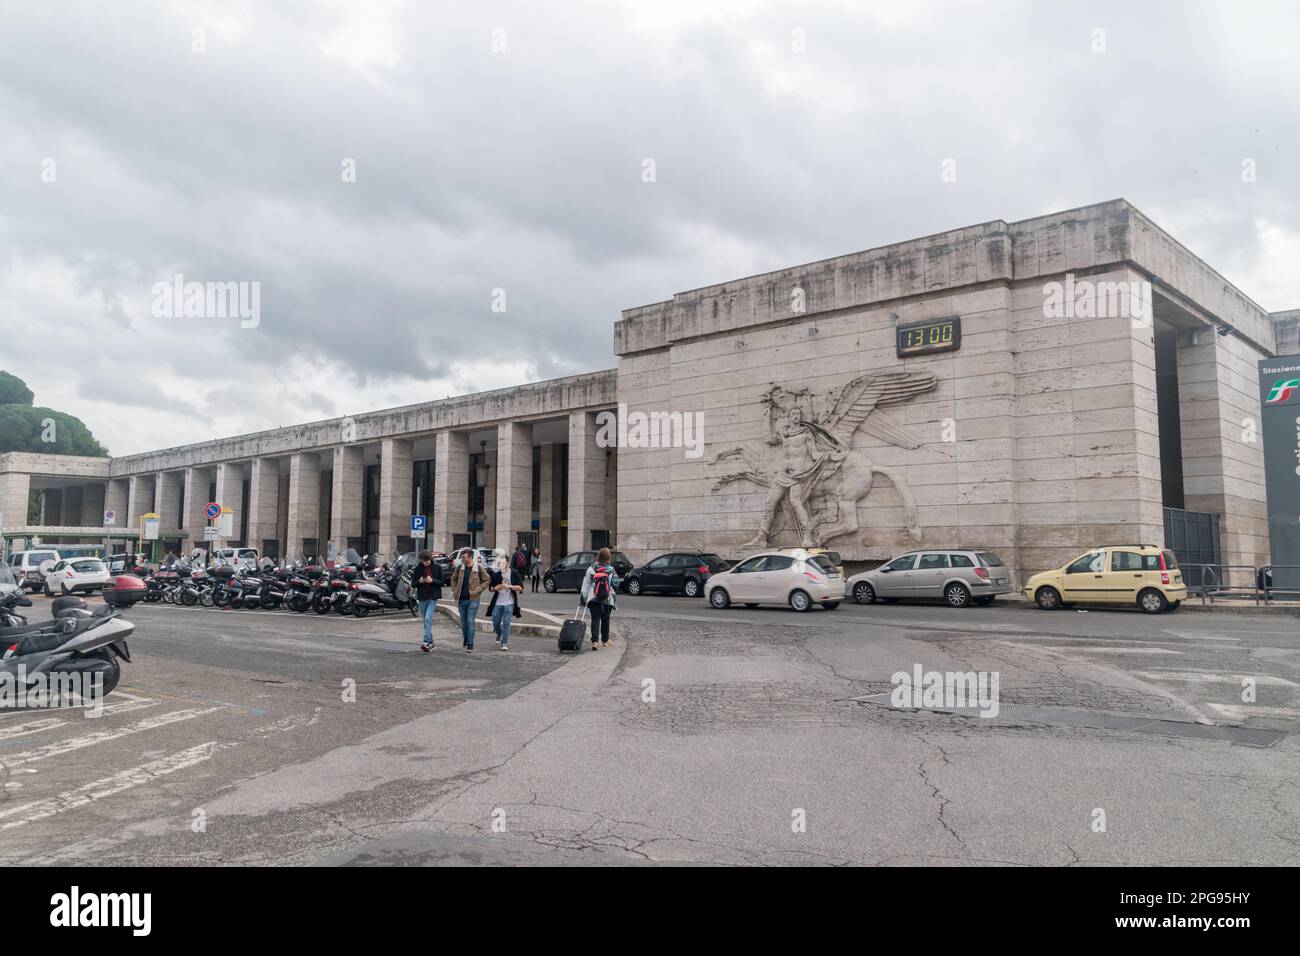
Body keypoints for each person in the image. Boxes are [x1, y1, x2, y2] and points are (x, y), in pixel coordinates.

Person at [579, 547, 620, 651]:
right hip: (607, 598)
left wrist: (583, 598)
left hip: (593, 598)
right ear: (608, 558)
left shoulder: (591, 569)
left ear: (598, 556)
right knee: (605, 619)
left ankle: (594, 642)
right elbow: (616, 584)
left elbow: (586, 585)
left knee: (595, 619)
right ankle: (605, 641)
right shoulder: (611, 570)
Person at [450, 548, 489, 651]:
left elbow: (487, 580)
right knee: (463, 622)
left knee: (470, 621)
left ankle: (470, 644)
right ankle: (466, 639)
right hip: (461, 599)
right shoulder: (459, 568)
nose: (462, 558)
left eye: (463, 557)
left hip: (473, 599)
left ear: (470, 557)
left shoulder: (478, 569)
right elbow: (453, 579)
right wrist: (454, 590)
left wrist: (479, 590)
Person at [486, 555, 524, 650]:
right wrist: (495, 588)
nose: (501, 565)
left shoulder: (514, 573)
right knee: (495, 621)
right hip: (498, 602)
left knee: (506, 622)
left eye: (503, 563)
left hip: (510, 602)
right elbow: (490, 588)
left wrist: (509, 587)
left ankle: (504, 643)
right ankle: (499, 632)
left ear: (508, 563)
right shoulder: (496, 574)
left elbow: (520, 588)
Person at [414, 550, 444, 652]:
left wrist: (432, 581)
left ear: (430, 559)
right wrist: (419, 581)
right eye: (424, 561)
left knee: (427, 619)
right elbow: (413, 584)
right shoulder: (417, 568)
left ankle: (425, 642)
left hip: (432, 597)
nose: (426, 562)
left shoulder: (437, 567)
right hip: (422, 597)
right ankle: (431, 643)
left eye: (427, 560)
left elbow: (442, 582)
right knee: (426, 621)